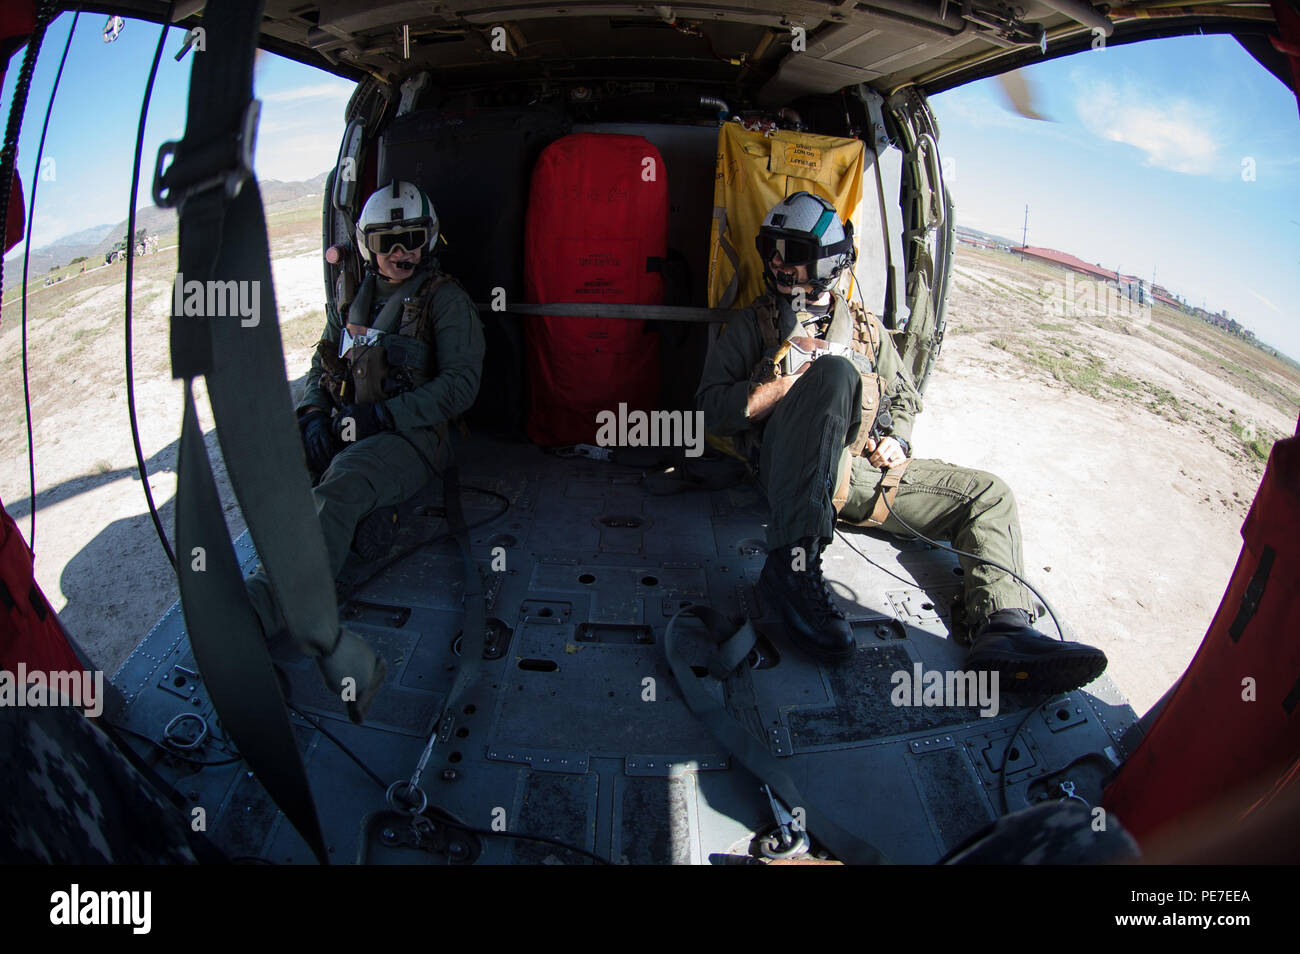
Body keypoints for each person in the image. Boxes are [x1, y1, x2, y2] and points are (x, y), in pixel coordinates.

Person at [696, 191, 1107, 694]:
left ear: (827, 260)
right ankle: (791, 568)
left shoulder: (867, 330)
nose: (779, 263)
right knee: (833, 373)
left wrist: (897, 439)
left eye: (794, 252)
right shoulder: (753, 325)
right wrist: (784, 388)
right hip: (789, 471)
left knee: (988, 493)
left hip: (858, 476)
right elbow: (710, 408)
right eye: (772, 249)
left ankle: (1004, 630)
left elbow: (903, 398)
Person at [244, 181, 485, 650]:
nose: (400, 253)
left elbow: (461, 387)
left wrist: (382, 416)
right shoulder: (350, 295)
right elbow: (323, 361)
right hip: (349, 421)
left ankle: (267, 606)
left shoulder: (445, 300)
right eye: (385, 241)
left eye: (411, 239)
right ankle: (343, 531)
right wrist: (313, 412)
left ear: (428, 240)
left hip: (413, 436)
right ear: (365, 245)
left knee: (344, 483)